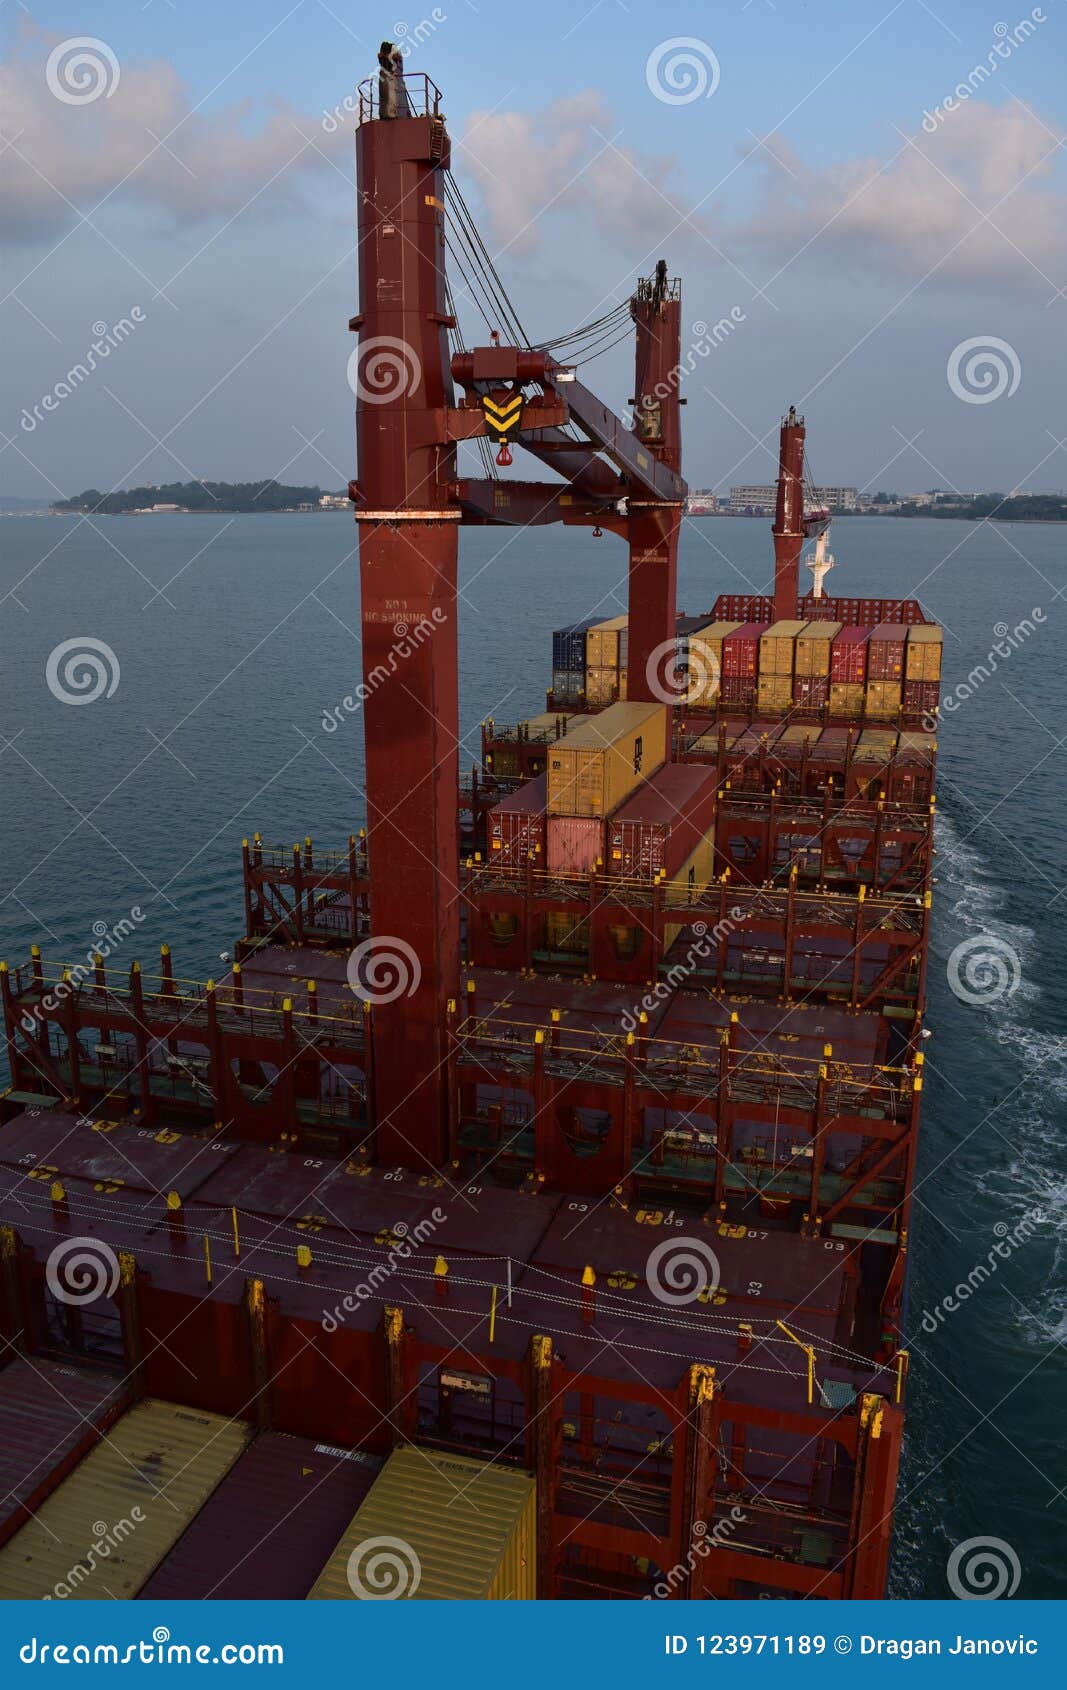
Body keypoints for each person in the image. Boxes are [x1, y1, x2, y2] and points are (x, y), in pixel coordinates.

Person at [377, 40, 412, 118]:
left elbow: (395, 58)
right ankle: (388, 113)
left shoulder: (394, 51)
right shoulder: (383, 74)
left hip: (394, 80)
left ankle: (390, 113)